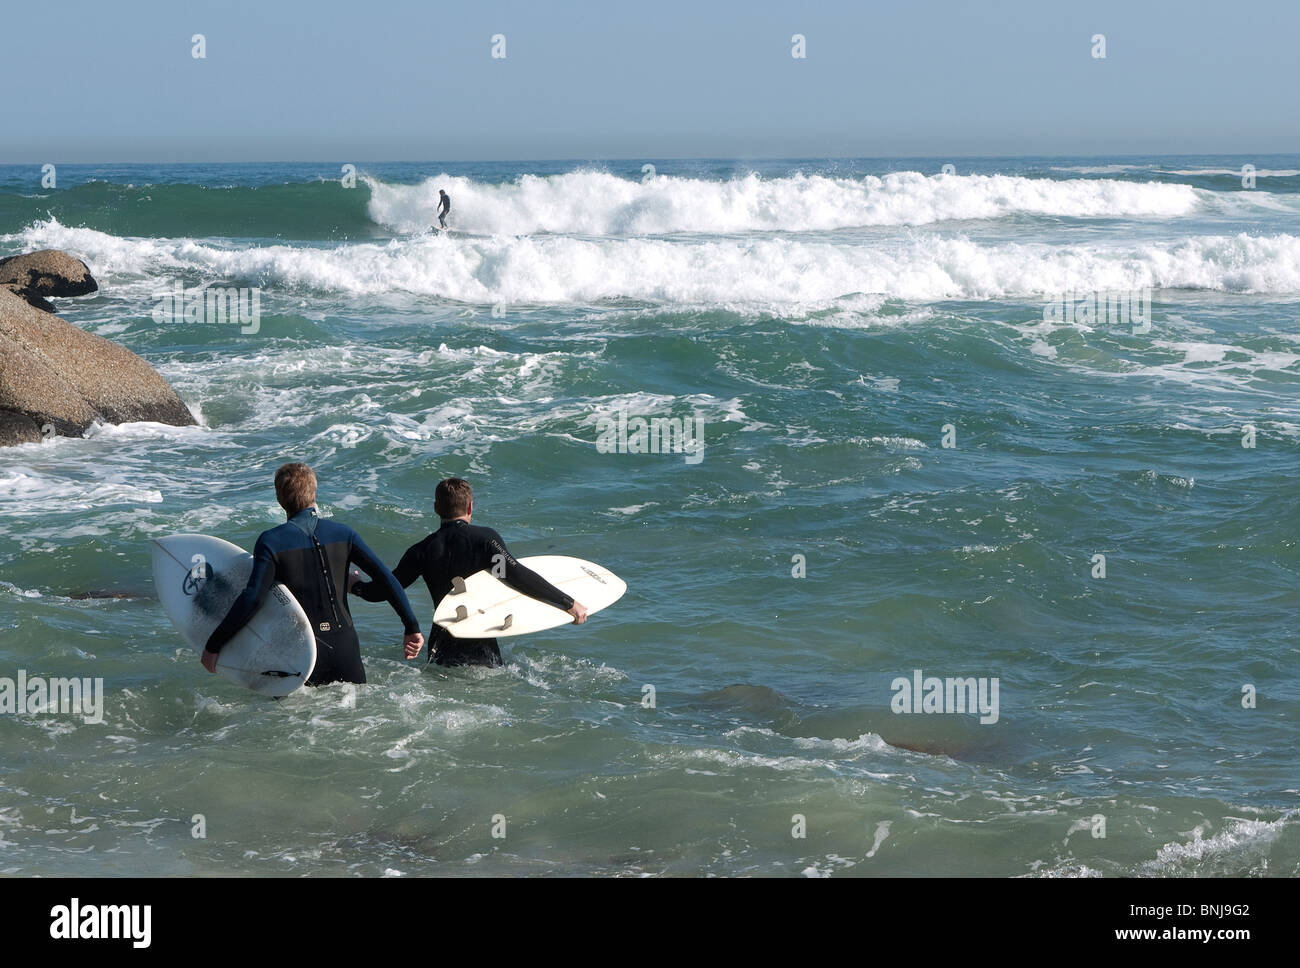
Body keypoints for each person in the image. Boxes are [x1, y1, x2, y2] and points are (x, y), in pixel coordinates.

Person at [201, 463, 423, 685]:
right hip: (346, 650)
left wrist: (214, 645)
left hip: (301, 652)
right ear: (314, 494)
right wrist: (411, 626)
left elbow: (253, 598)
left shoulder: (271, 542)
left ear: (279, 498)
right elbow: (386, 578)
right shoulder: (344, 534)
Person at [351, 477, 587, 667]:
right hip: (480, 641)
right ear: (470, 506)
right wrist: (567, 602)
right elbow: (517, 575)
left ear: (436, 508)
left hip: (441, 642)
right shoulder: (485, 540)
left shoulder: (422, 549)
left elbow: (385, 590)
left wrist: (355, 584)